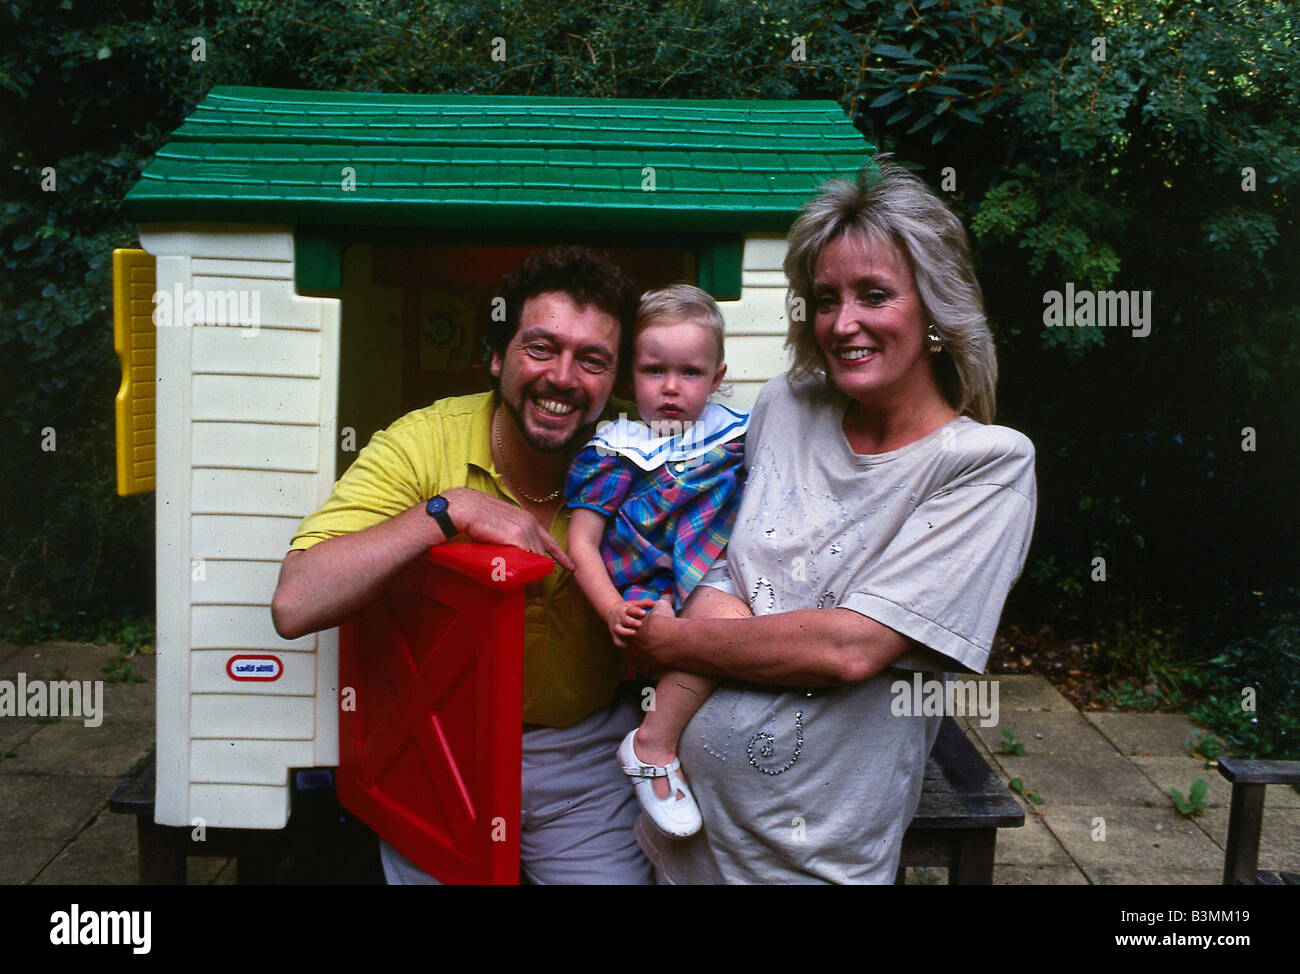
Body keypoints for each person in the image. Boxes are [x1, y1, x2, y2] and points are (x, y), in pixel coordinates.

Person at [623, 161, 1038, 883]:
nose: (843, 323)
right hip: (683, 838)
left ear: (936, 311)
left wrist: (672, 641)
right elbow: (726, 561)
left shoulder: (983, 465)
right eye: (825, 298)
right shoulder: (786, 405)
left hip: (810, 859)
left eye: (874, 295)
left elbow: (850, 648)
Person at [270, 246, 656, 885]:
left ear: (614, 382)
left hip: (585, 759)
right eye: (540, 348)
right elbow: (295, 602)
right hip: (439, 753)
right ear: (497, 356)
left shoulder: (640, 455)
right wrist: (446, 512)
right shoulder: (422, 442)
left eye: (592, 360)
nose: (563, 377)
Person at [564, 285, 750, 838]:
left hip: (722, 568)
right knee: (723, 635)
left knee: (740, 638)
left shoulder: (734, 434)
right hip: (649, 584)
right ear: (629, 376)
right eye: (653, 371)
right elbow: (580, 542)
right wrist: (610, 608)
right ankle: (651, 744)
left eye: (690, 373)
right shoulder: (616, 452)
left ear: (717, 378)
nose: (671, 389)